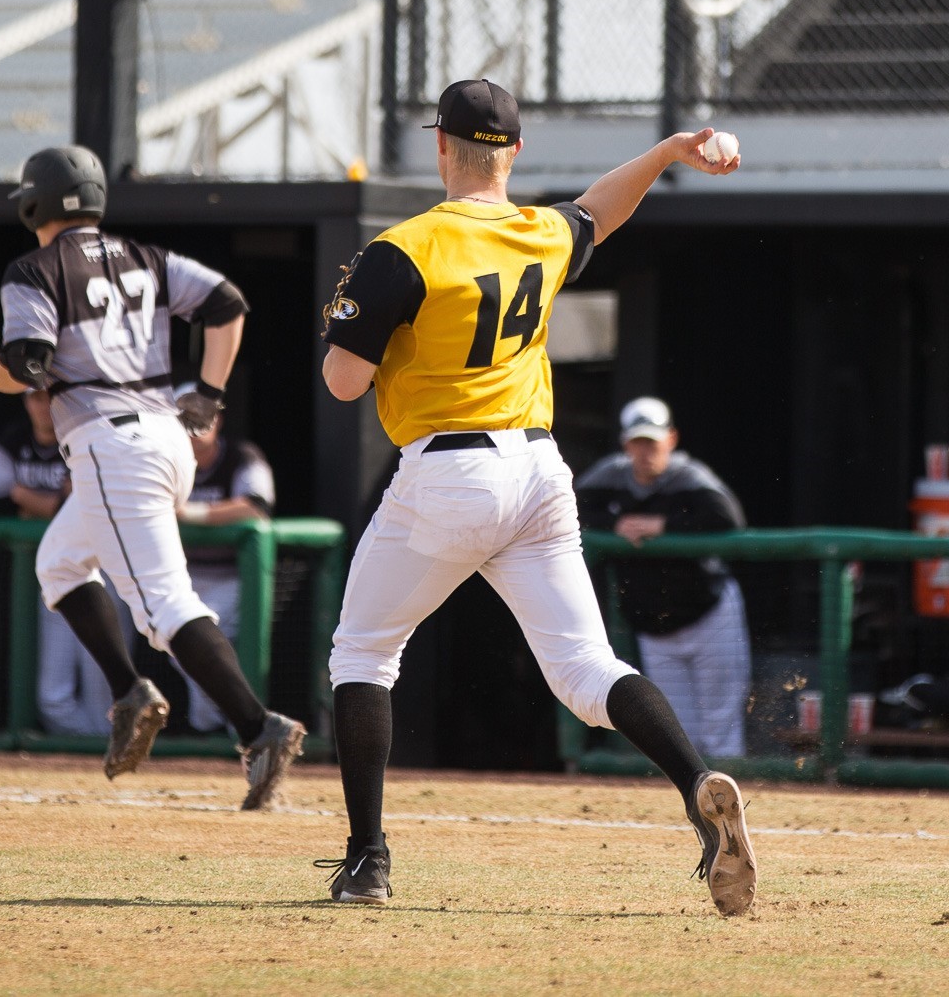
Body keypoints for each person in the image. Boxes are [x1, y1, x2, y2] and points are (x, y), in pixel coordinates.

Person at [315, 78, 756, 914]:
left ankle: (367, 860)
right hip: (539, 469)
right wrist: (670, 151)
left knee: (363, 654)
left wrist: (354, 320)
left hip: (448, 469)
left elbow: (343, 383)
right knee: (588, 668)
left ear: (441, 147)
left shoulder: (404, 248)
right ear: (514, 152)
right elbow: (598, 211)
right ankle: (696, 782)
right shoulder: (540, 233)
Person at [0, 144, 305, 809]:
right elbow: (227, 303)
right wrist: (209, 393)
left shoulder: (34, 267)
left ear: (34, 204)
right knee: (60, 564)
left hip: (111, 446)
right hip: (164, 436)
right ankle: (130, 692)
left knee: (162, 607)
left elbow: (28, 363)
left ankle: (258, 727)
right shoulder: (146, 256)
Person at [574, 396, 752, 758]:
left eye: (652, 442)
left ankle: (730, 790)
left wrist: (664, 525)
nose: (645, 452)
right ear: (626, 444)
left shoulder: (688, 475)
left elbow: (729, 517)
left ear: (671, 439)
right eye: (638, 442)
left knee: (721, 731)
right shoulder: (612, 474)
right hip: (655, 628)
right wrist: (615, 523)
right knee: (678, 734)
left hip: (709, 615)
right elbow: (568, 505)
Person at [0, 387, 136, 736]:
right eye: (35, 398)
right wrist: (47, 503)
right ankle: (99, 750)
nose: (43, 405)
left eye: (49, 397)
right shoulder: (14, 438)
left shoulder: (86, 432)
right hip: (56, 573)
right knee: (53, 699)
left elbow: (79, 505)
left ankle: (117, 749)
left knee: (105, 694)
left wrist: (23, 495)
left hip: (104, 569)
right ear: (26, 401)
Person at [173, 385, 277, 733]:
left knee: (208, 637)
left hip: (233, 578)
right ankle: (215, 726)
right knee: (177, 641)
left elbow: (256, 506)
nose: (199, 423)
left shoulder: (242, 455)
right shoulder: (167, 459)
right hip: (183, 577)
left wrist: (192, 513)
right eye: (188, 414)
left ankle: (230, 727)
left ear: (218, 419)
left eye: (207, 413)